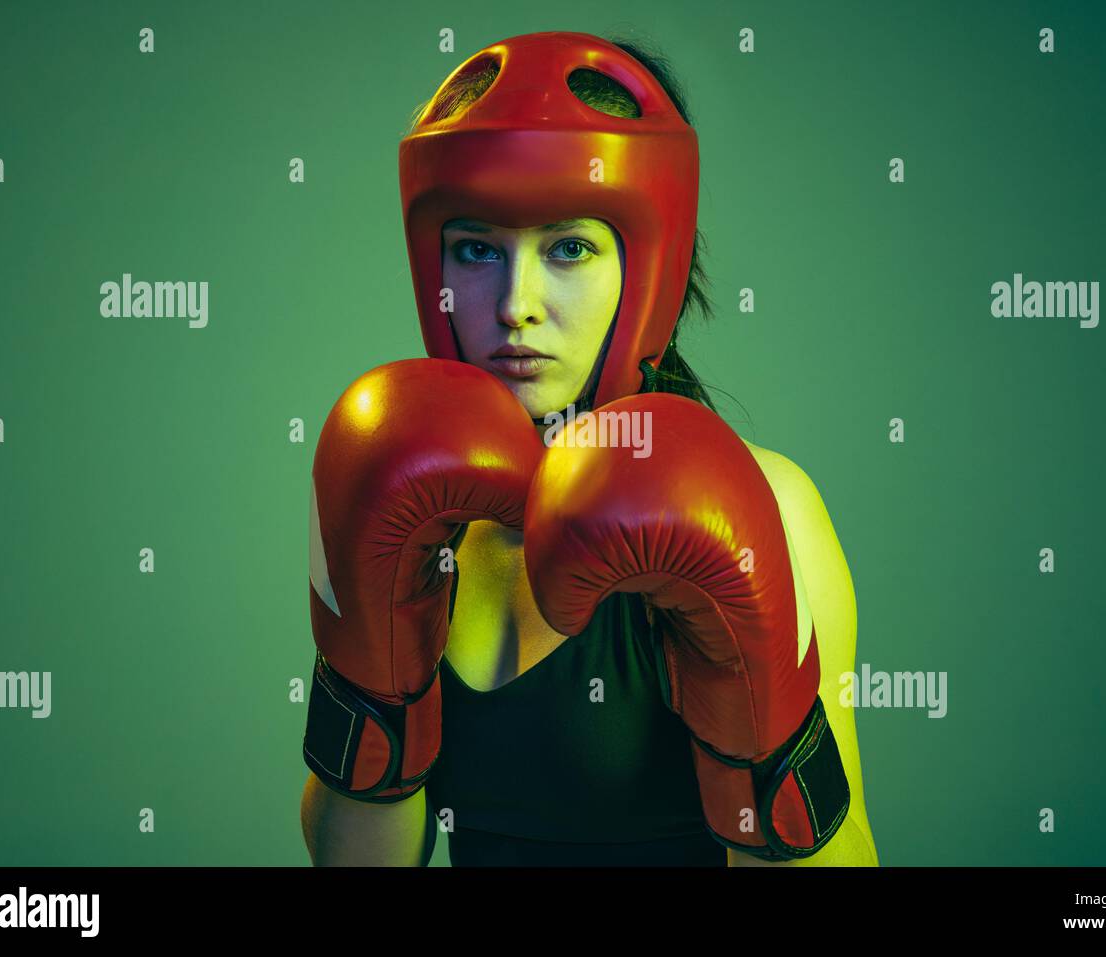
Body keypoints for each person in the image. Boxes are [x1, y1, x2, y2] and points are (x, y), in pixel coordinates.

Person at [299, 30, 878, 867]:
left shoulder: (770, 502)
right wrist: (368, 683)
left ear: (648, 266)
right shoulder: (404, 492)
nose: (515, 304)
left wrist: (760, 728)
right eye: (477, 250)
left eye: (569, 248)